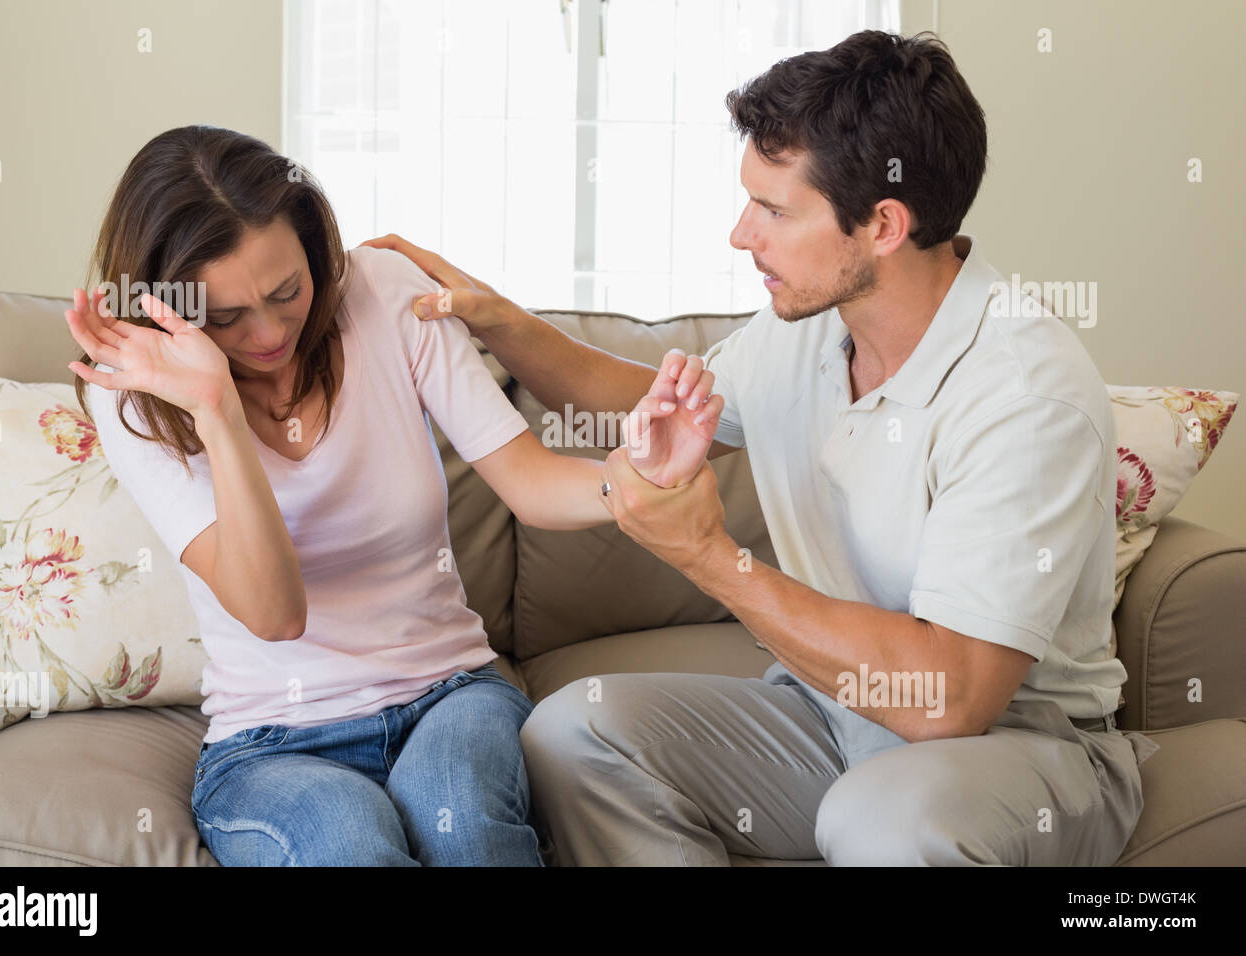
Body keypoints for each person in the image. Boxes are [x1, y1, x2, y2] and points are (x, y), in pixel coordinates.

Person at [363, 29, 1161, 866]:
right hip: (829, 714)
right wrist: (500, 320)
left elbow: (947, 699)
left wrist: (710, 558)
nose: (741, 235)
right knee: (571, 731)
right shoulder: (811, 331)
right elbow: (640, 406)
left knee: (884, 820)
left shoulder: (1024, 394)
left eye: (775, 210)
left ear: (884, 224)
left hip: (1014, 751)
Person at [64, 125, 722, 866]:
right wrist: (215, 409)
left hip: (449, 694)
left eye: (288, 291)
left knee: (463, 825)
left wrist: (638, 476)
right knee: (350, 848)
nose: (271, 331)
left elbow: (529, 481)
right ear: (166, 307)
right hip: (271, 743)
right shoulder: (134, 398)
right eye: (226, 317)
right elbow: (275, 615)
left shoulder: (383, 291)